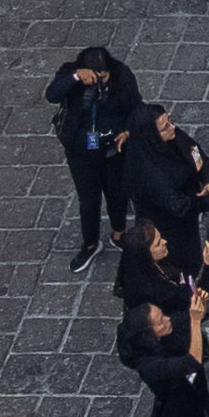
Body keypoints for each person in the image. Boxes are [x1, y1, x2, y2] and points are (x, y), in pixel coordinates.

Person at [48, 46, 144, 274]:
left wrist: (129, 131)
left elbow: (136, 107)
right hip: (81, 153)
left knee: (117, 193)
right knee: (89, 201)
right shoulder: (70, 75)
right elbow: (51, 95)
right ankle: (90, 243)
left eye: (104, 77)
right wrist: (75, 78)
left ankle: (119, 233)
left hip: (113, 150)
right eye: (94, 77)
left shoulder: (122, 76)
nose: (99, 82)